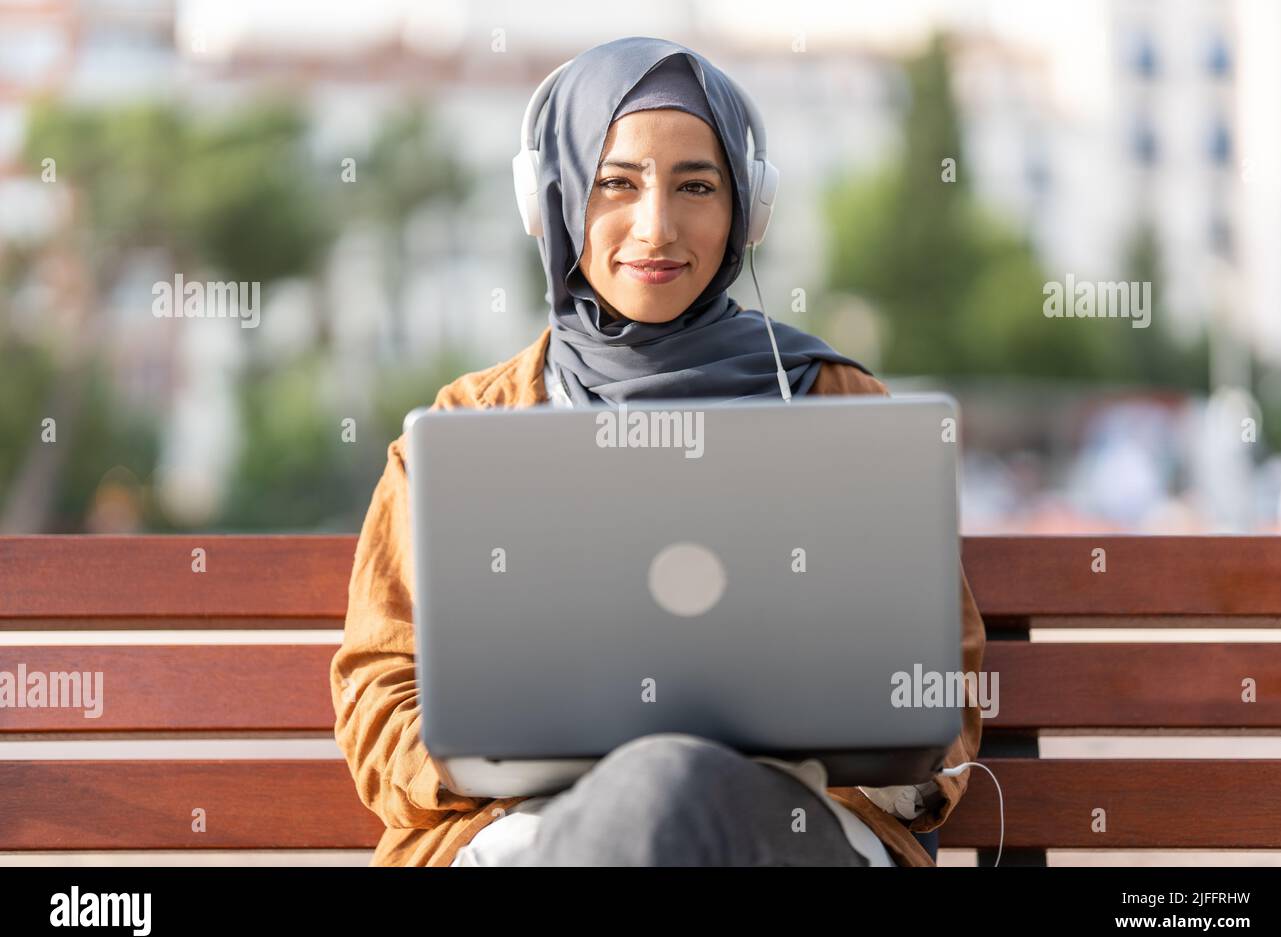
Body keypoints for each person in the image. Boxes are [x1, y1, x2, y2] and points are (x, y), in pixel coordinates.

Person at [330, 36, 986, 867]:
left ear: (747, 208)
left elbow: (941, 684)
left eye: (697, 186)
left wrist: (850, 754)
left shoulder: (836, 405)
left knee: (672, 796)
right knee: (646, 804)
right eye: (617, 183)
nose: (657, 227)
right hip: (534, 833)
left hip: (788, 828)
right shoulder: (469, 425)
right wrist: (543, 766)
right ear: (554, 196)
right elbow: (377, 695)